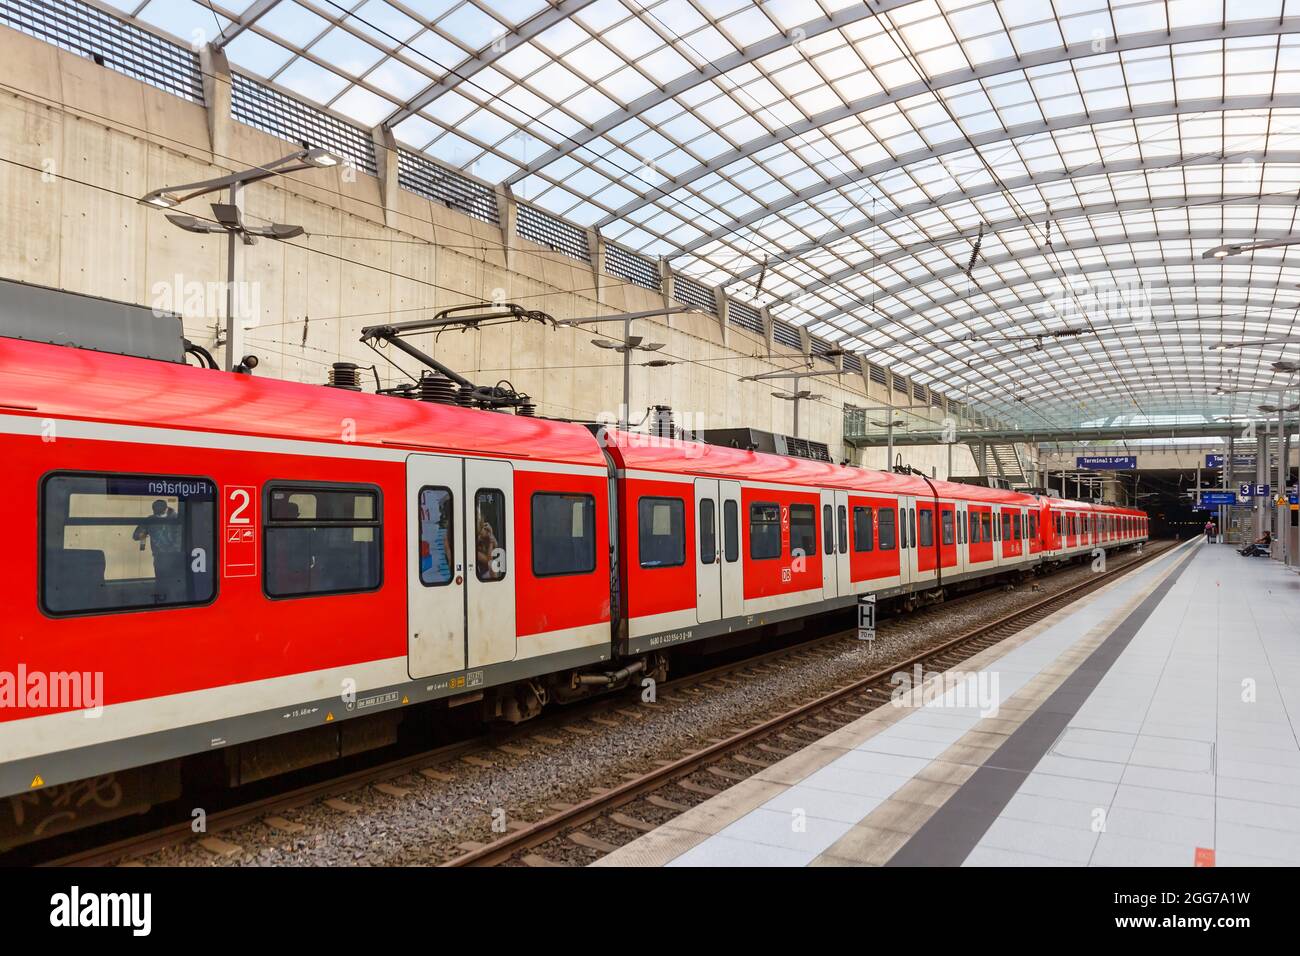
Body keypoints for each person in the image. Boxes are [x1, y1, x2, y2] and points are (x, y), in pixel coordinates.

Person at [133, 498, 184, 596]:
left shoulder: (176, 518)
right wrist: (143, 533)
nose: (157, 514)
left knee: (168, 583)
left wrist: (144, 533)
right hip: (166, 556)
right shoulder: (151, 520)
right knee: (166, 583)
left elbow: (137, 535)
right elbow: (136, 535)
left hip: (170, 556)